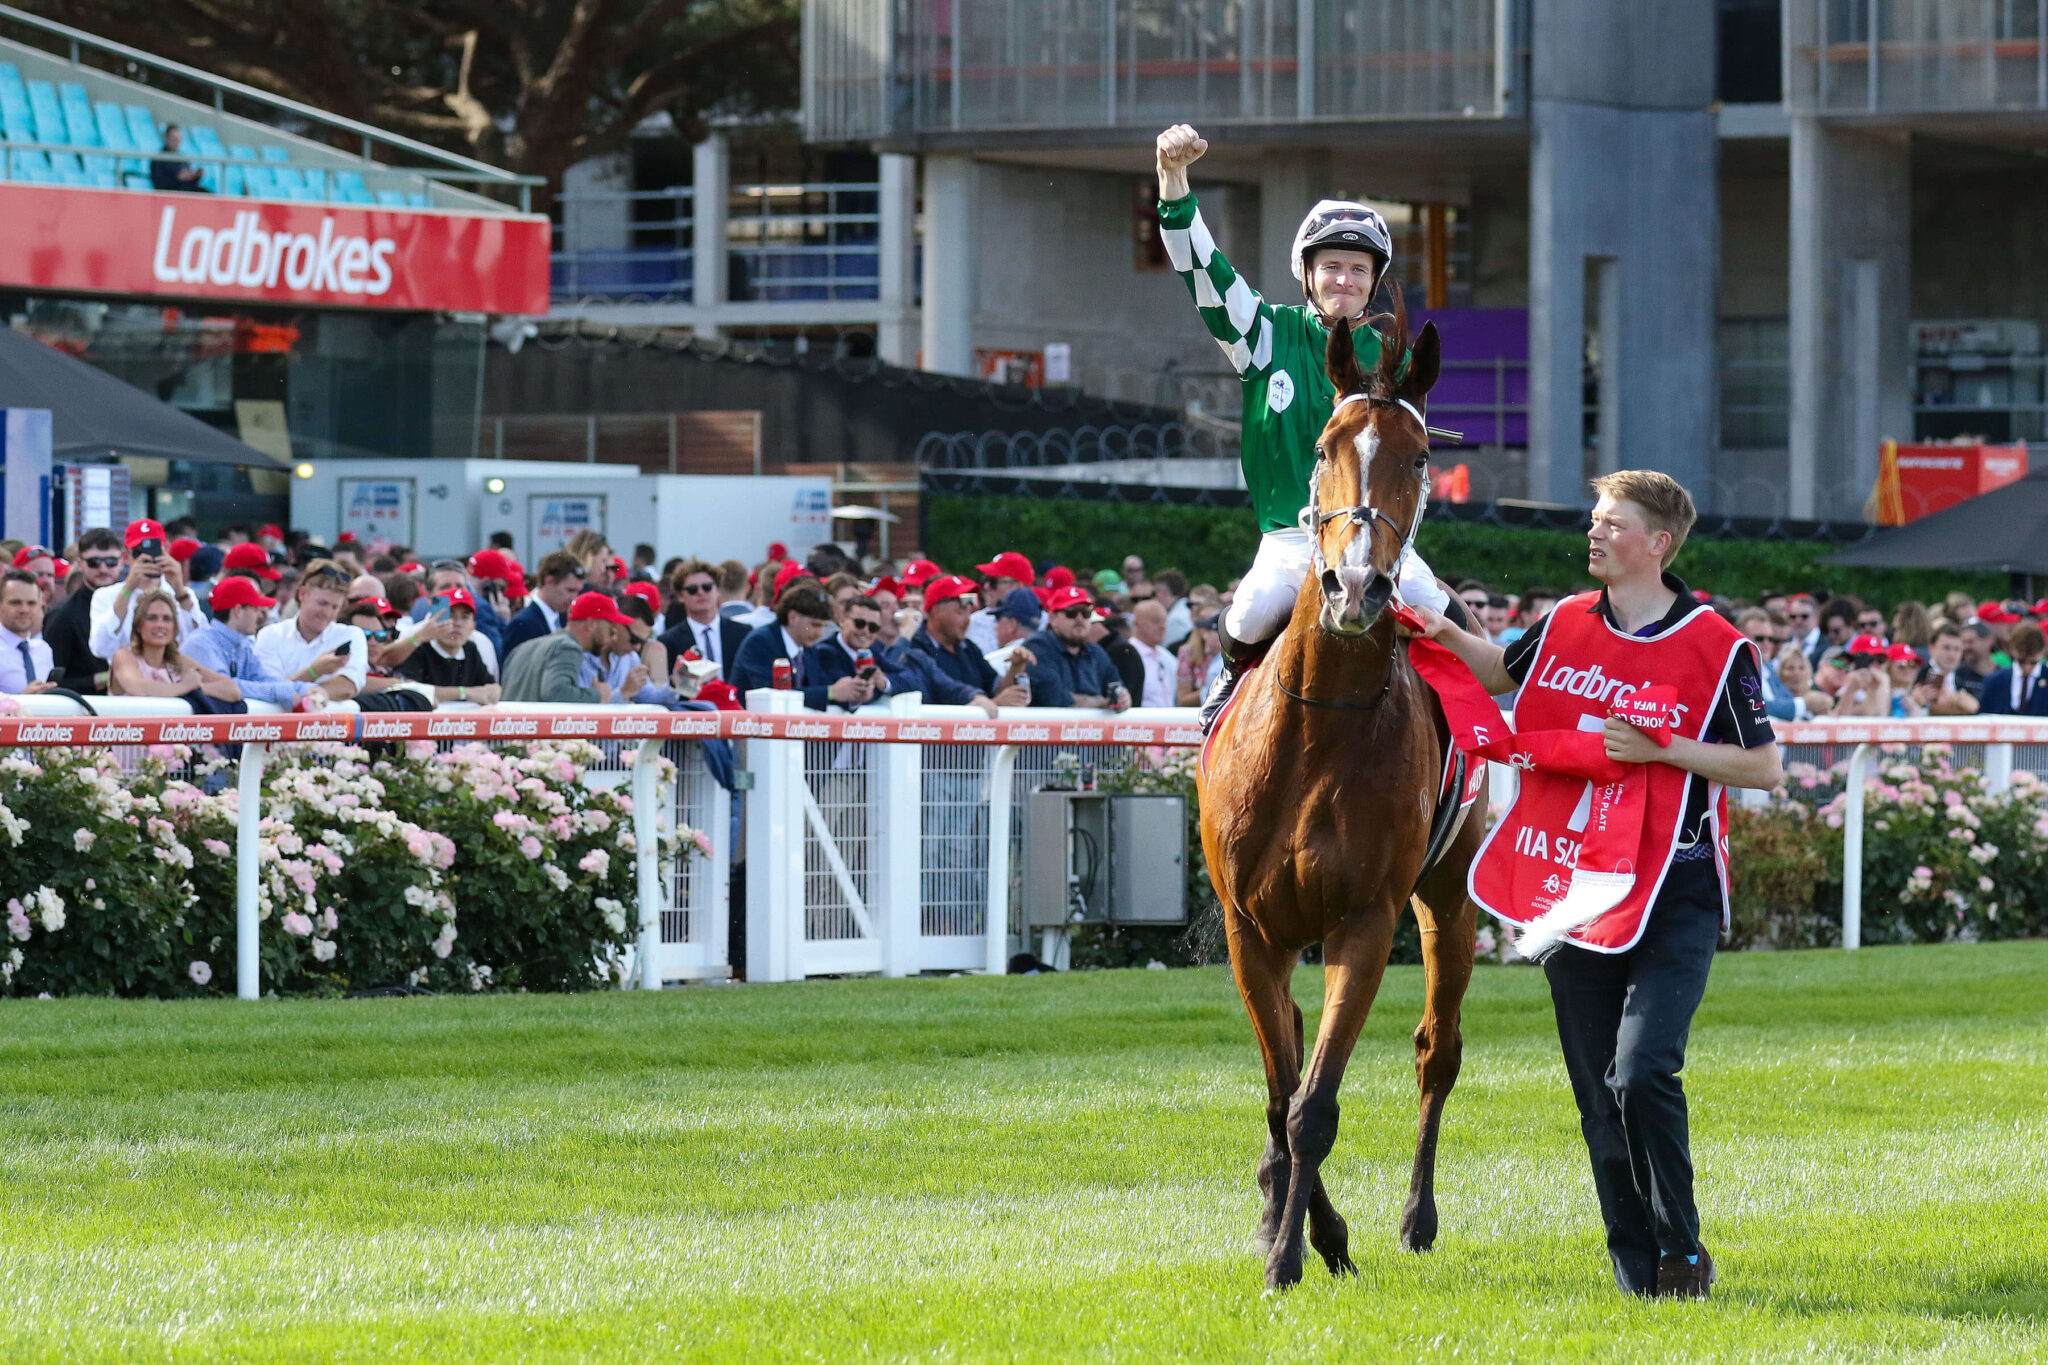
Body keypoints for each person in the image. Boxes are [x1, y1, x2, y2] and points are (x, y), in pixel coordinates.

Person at [1413, 469, 1781, 1301]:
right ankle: (1635, 1261)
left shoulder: (1719, 645)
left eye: (1611, 522)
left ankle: (1683, 1247)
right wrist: (1426, 621)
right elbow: (1497, 671)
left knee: (1642, 1068)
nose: (1593, 532)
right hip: (1572, 880)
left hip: (1676, 887)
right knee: (1594, 1091)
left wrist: (1662, 750)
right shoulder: (1567, 621)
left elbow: (1764, 765)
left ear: (1658, 543)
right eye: (1593, 518)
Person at [1154, 122, 1450, 731]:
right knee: (1249, 615)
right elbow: (1203, 274)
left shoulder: (1393, 359)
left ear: (1374, 280)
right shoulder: (1265, 334)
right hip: (1291, 543)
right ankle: (1230, 692)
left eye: (1359, 270)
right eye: (1333, 266)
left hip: (1381, 549)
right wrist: (1174, 182)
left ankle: (1461, 736)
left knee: (1436, 608)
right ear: (1308, 273)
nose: (1346, 280)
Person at [810, 593, 995, 714]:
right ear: (841, 620)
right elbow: (846, 695)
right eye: (859, 623)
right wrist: (870, 689)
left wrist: (884, 682)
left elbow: (912, 679)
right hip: (826, 758)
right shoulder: (824, 652)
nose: (865, 631)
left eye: (873, 627)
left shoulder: (875, 650)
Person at [180, 576, 311, 708]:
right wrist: (279, 692)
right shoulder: (201, 644)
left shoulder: (243, 645)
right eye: (255, 609)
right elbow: (227, 687)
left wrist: (303, 688)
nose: (259, 616)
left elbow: (265, 679)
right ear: (238, 611)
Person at [89, 520, 207, 665]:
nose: (148, 558)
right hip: (128, 679)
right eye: (139, 553)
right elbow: (100, 648)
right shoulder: (105, 595)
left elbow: (200, 643)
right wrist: (128, 589)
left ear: (166, 551)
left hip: (174, 678)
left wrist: (179, 588)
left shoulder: (183, 594)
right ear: (126, 557)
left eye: (154, 551)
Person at [251, 560, 368, 706]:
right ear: (302, 594)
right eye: (322, 603)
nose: (327, 613)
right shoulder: (270, 635)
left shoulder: (351, 635)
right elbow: (269, 692)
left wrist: (298, 692)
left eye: (334, 607)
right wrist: (315, 671)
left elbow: (347, 687)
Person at [906, 574, 1032, 706]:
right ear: (935, 611)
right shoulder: (916, 649)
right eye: (960, 612)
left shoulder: (968, 648)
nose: (967, 619)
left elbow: (996, 688)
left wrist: (1016, 667)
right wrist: (994, 704)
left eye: (969, 611)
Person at [110, 590, 241, 706]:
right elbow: (138, 688)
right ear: (138, 625)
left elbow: (232, 690)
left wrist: (198, 687)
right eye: (152, 618)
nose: (160, 625)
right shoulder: (124, 656)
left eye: (166, 619)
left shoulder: (178, 661)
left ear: (174, 627)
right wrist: (184, 686)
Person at [501, 590, 634, 704]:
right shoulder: (568, 647)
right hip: (536, 732)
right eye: (611, 631)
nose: (613, 638)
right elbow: (556, 693)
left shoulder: (525, 647)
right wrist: (597, 696)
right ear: (591, 624)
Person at [1022, 586, 1129, 711]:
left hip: (1092, 729)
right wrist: (1098, 702)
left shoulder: (1096, 652)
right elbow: (1053, 698)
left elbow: (1116, 687)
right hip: (1049, 728)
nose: (1079, 619)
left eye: (1085, 613)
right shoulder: (1037, 647)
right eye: (1071, 612)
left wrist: (1123, 698)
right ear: (1053, 619)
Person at [47, 528, 124, 693]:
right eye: (94, 563)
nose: (103, 569)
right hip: (86, 711)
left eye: (111, 562)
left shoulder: (136, 602)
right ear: (80, 564)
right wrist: (105, 678)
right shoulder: (63, 615)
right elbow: (53, 682)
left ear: (122, 561)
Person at [394, 586, 501, 704]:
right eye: (450, 615)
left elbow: (489, 685)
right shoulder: (417, 648)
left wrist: (494, 690)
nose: (457, 623)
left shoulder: (470, 649)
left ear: (473, 626)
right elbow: (408, 688)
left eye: (465, 617)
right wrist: (464, 692)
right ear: (433, 620)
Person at [655, 561, 750, 679]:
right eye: (692, 589)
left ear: (718, 590)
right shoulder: (668, 641)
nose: (700, 592)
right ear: (680, 596)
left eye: (707, 587)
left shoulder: (742, 633)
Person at [500, 551, 586, 661]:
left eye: (577, 592)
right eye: (569, 590)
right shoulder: (523, 624)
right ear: (549, 581)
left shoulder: (561, 620)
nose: (574, 598)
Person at [966, 552, 1035, 655]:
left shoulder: (1046, 623)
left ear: (1019, 585)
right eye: (984, 580)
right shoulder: (971, 622)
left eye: (993, 582)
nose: (986, 587)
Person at [0, 569, 55, 695]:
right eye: (15, 603)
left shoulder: (43, 649)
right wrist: (23, 700)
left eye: (31, 603)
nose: (24, 609)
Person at [1978, 621, 2048, 716]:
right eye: (2021, 661)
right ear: (2012, 650)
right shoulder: (1994, 681)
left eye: (2033, 663)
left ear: (2042, 651)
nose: (2027, 668)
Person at [1128, 598, 1179, 708]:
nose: (1163, 626)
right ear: (1137, 624)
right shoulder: (1126, 656)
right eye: (1155, 621)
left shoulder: (1168, 658)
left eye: (1164, 621)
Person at [1761, 643, 1832, 721]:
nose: (1796, 673)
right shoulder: (1773, 701)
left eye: (1801, 668)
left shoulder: (1816, 698)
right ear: (1779, 672)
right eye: (1790, 668)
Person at [149, 124, 209, 193]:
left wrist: (196, 175)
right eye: (174, 139)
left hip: (188, 191)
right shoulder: (159, 159)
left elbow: (188, 175)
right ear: (166, 138)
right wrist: (183, 177)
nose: (176, 142)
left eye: (179, 139)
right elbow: (163, 183)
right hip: (171, 194)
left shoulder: (181, 157)